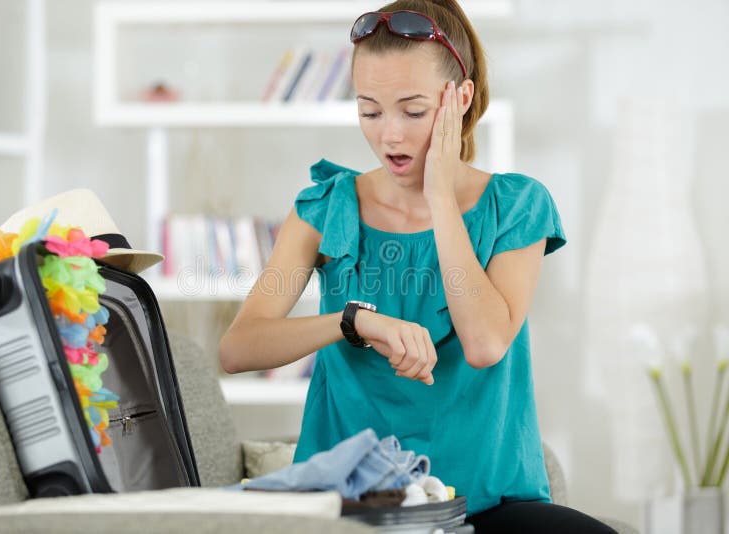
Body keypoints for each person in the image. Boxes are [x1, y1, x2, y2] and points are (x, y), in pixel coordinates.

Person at [220, 1, 616, 532]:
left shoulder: (518, 205)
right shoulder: (325, 208)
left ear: (460, 101)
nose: (390, 136)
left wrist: (440, 199)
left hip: (491, 506)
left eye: (413, 111)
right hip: (356, 506)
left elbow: (485, 344)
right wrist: (353, 321)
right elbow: (239, 347)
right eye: (370, 111)